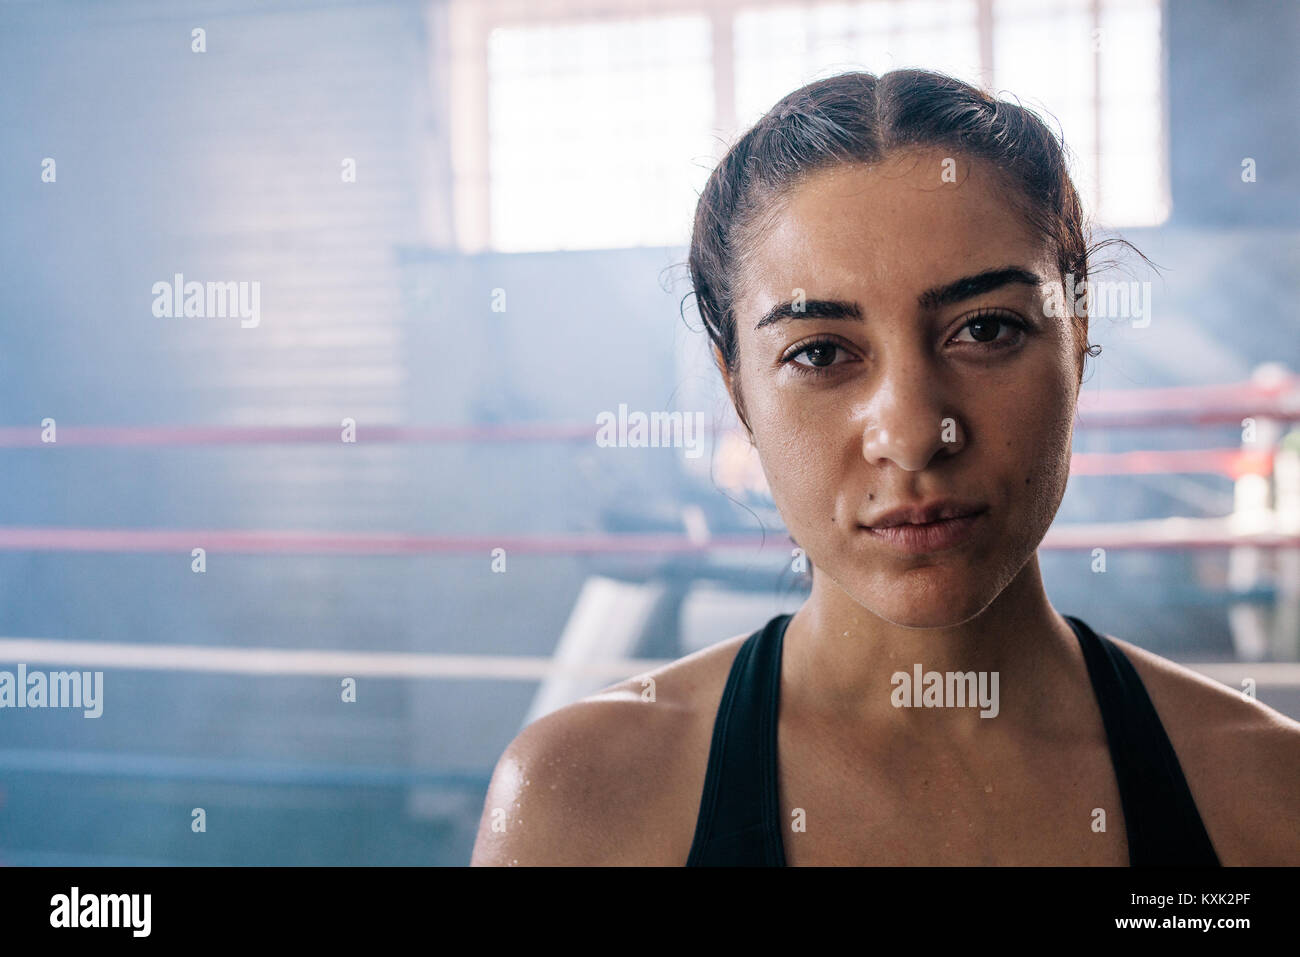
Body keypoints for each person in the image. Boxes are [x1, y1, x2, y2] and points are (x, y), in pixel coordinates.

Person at [470, 69, 1300, 866]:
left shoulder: (1269, 799)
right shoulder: (578, 806)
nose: (912, 435)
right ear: (738, 393)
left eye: (985, 330)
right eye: (821, 351)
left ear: (1078, 339)